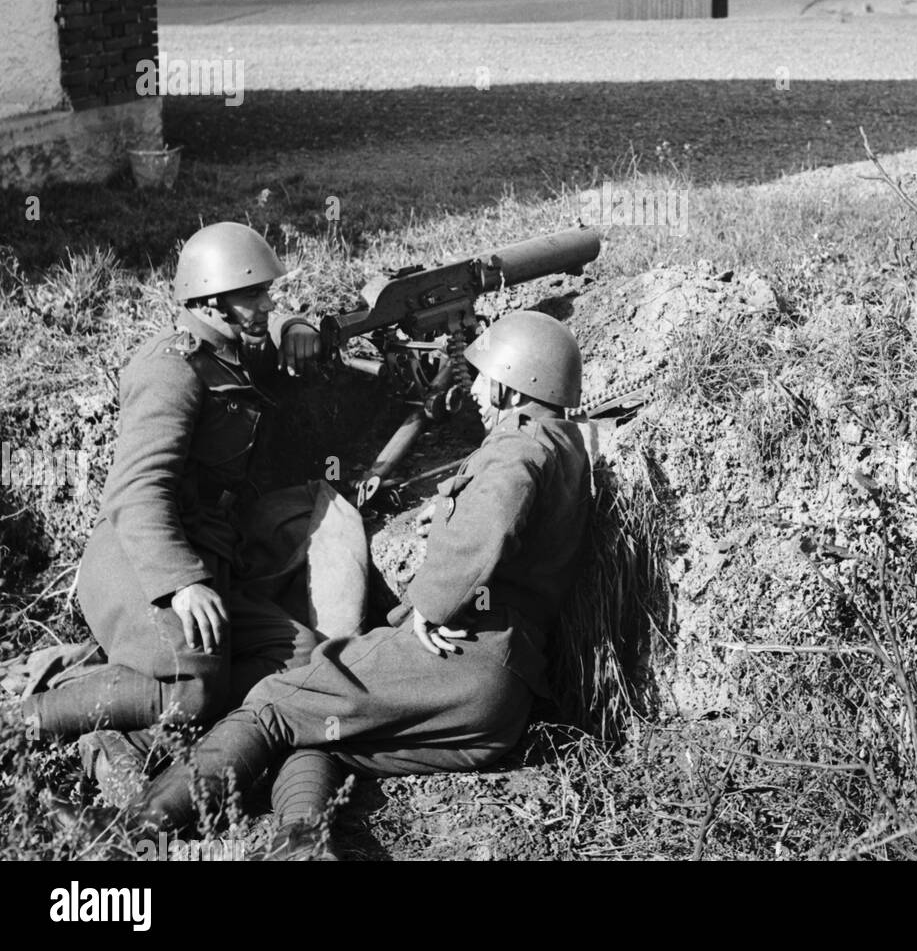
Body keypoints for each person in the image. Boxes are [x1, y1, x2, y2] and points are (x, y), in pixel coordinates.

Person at [100, 310, 592, 855]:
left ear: (506, 386)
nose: (473, 388)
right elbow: (512, 515)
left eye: (479, 375)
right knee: (322, 732)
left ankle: (136, 830)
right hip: (501, 707)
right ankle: (305, 843)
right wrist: (450, 509)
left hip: (461, 659)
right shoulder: (566, 446)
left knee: (270, 703)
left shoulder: (516, 446)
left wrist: (432, 603)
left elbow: (497, 511)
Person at [15, 222, 325, 800]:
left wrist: (291, 324)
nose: (267, 304)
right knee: (196, 690)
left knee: (302, 660)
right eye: (254, 295)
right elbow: (135, 493)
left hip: (207, 553)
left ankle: (119, 741)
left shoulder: (227, 350)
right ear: (210, 299)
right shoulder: (171, 369)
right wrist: (181, 583)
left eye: (266, 293)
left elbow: (268, 340)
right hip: (139, 559)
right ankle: (19, 725)